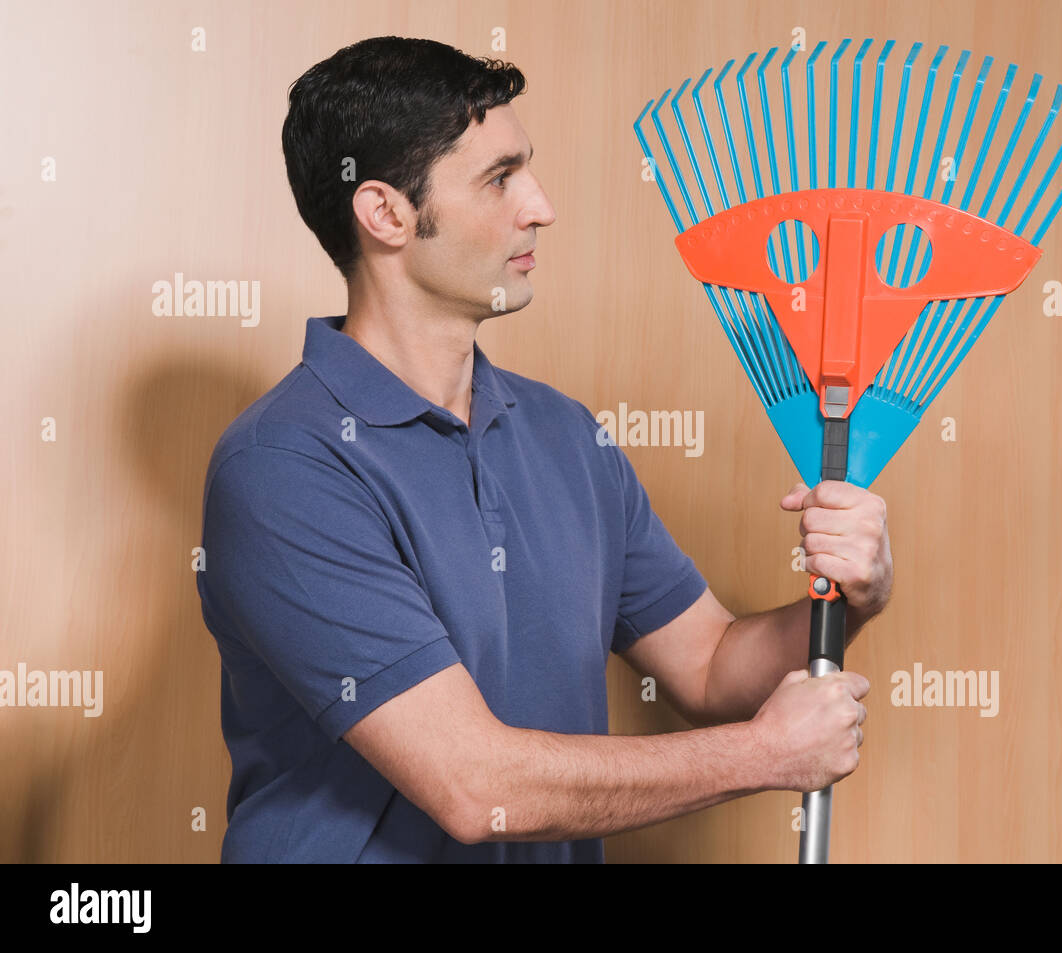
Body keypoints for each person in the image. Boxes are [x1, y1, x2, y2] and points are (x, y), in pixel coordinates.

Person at [195, 35, 893, 863]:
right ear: (385, 212)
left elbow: (708, 666)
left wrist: (850, 597)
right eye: (499, 178)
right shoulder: (285, 466)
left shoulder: (568, 436)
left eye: (525, 168)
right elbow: (472, 784)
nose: (540, 205)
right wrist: (766, 753)